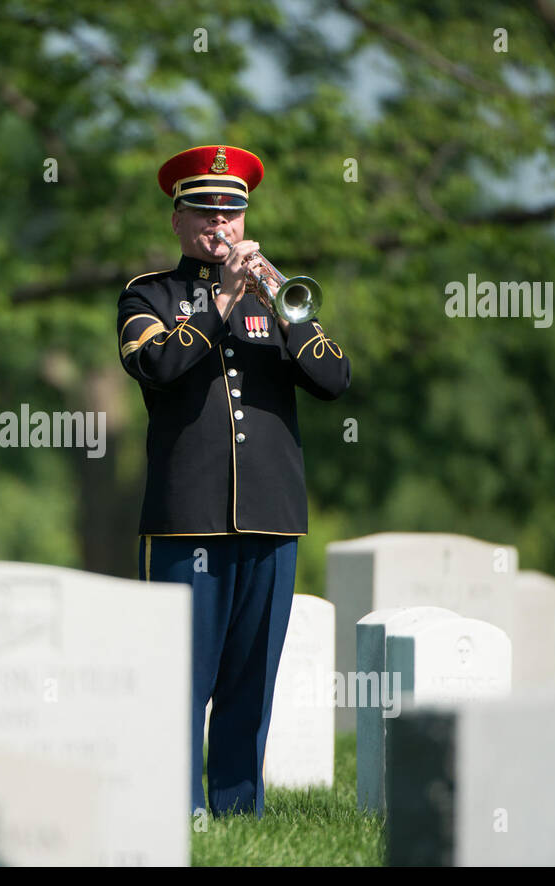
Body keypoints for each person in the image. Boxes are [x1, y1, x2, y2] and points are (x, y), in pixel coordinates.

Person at [116, 145, 350, 817]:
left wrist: (286, 311)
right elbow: (157, 365)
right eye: (206, 210)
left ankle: (238, 812)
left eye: (232, 210)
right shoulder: (150, 295)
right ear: (178, 219)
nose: (221, 222)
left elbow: (335, 379)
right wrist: (219, 302)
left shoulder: (276, 300)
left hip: (273, 518)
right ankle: (173, 811)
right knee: (180, 679)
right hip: (186, 518)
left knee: (252, 682)